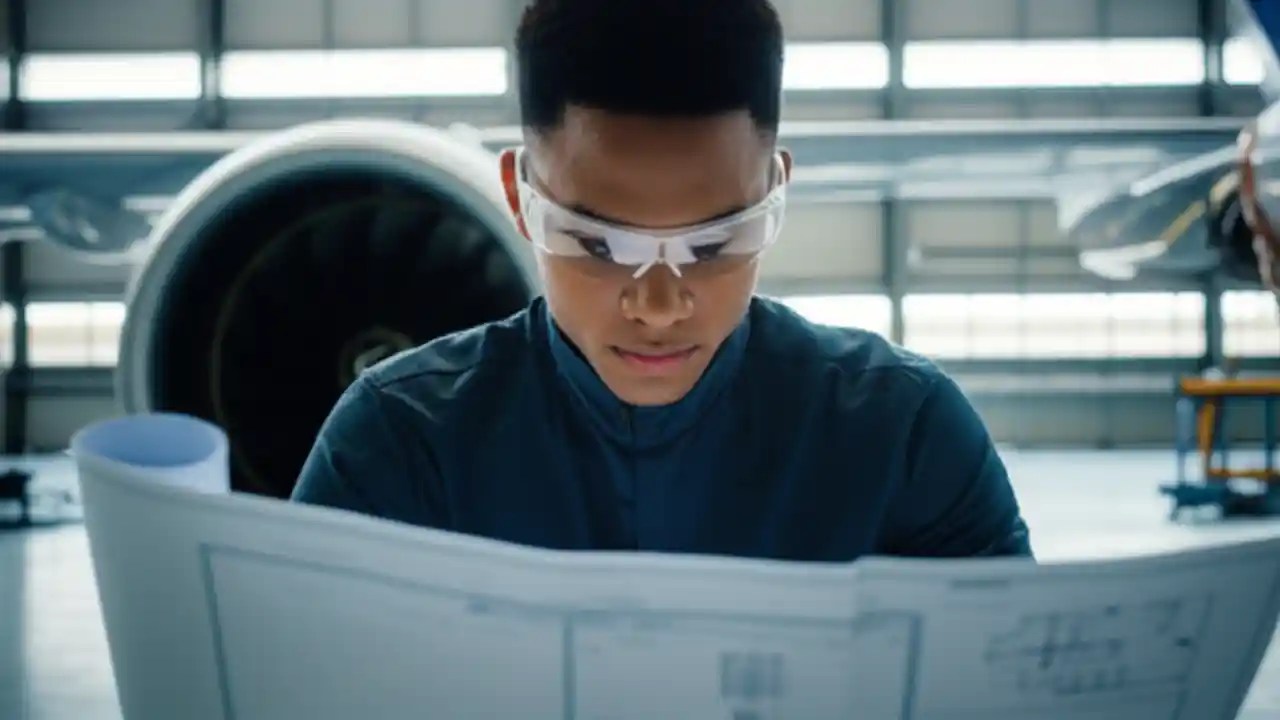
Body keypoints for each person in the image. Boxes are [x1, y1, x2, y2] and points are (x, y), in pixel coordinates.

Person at [291, 0, 1033, 561]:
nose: (656, 305)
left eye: (715, 244)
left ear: (778, 190)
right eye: (594, 241)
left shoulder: (904, 439)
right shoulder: (396, 449)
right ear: (518, 197)